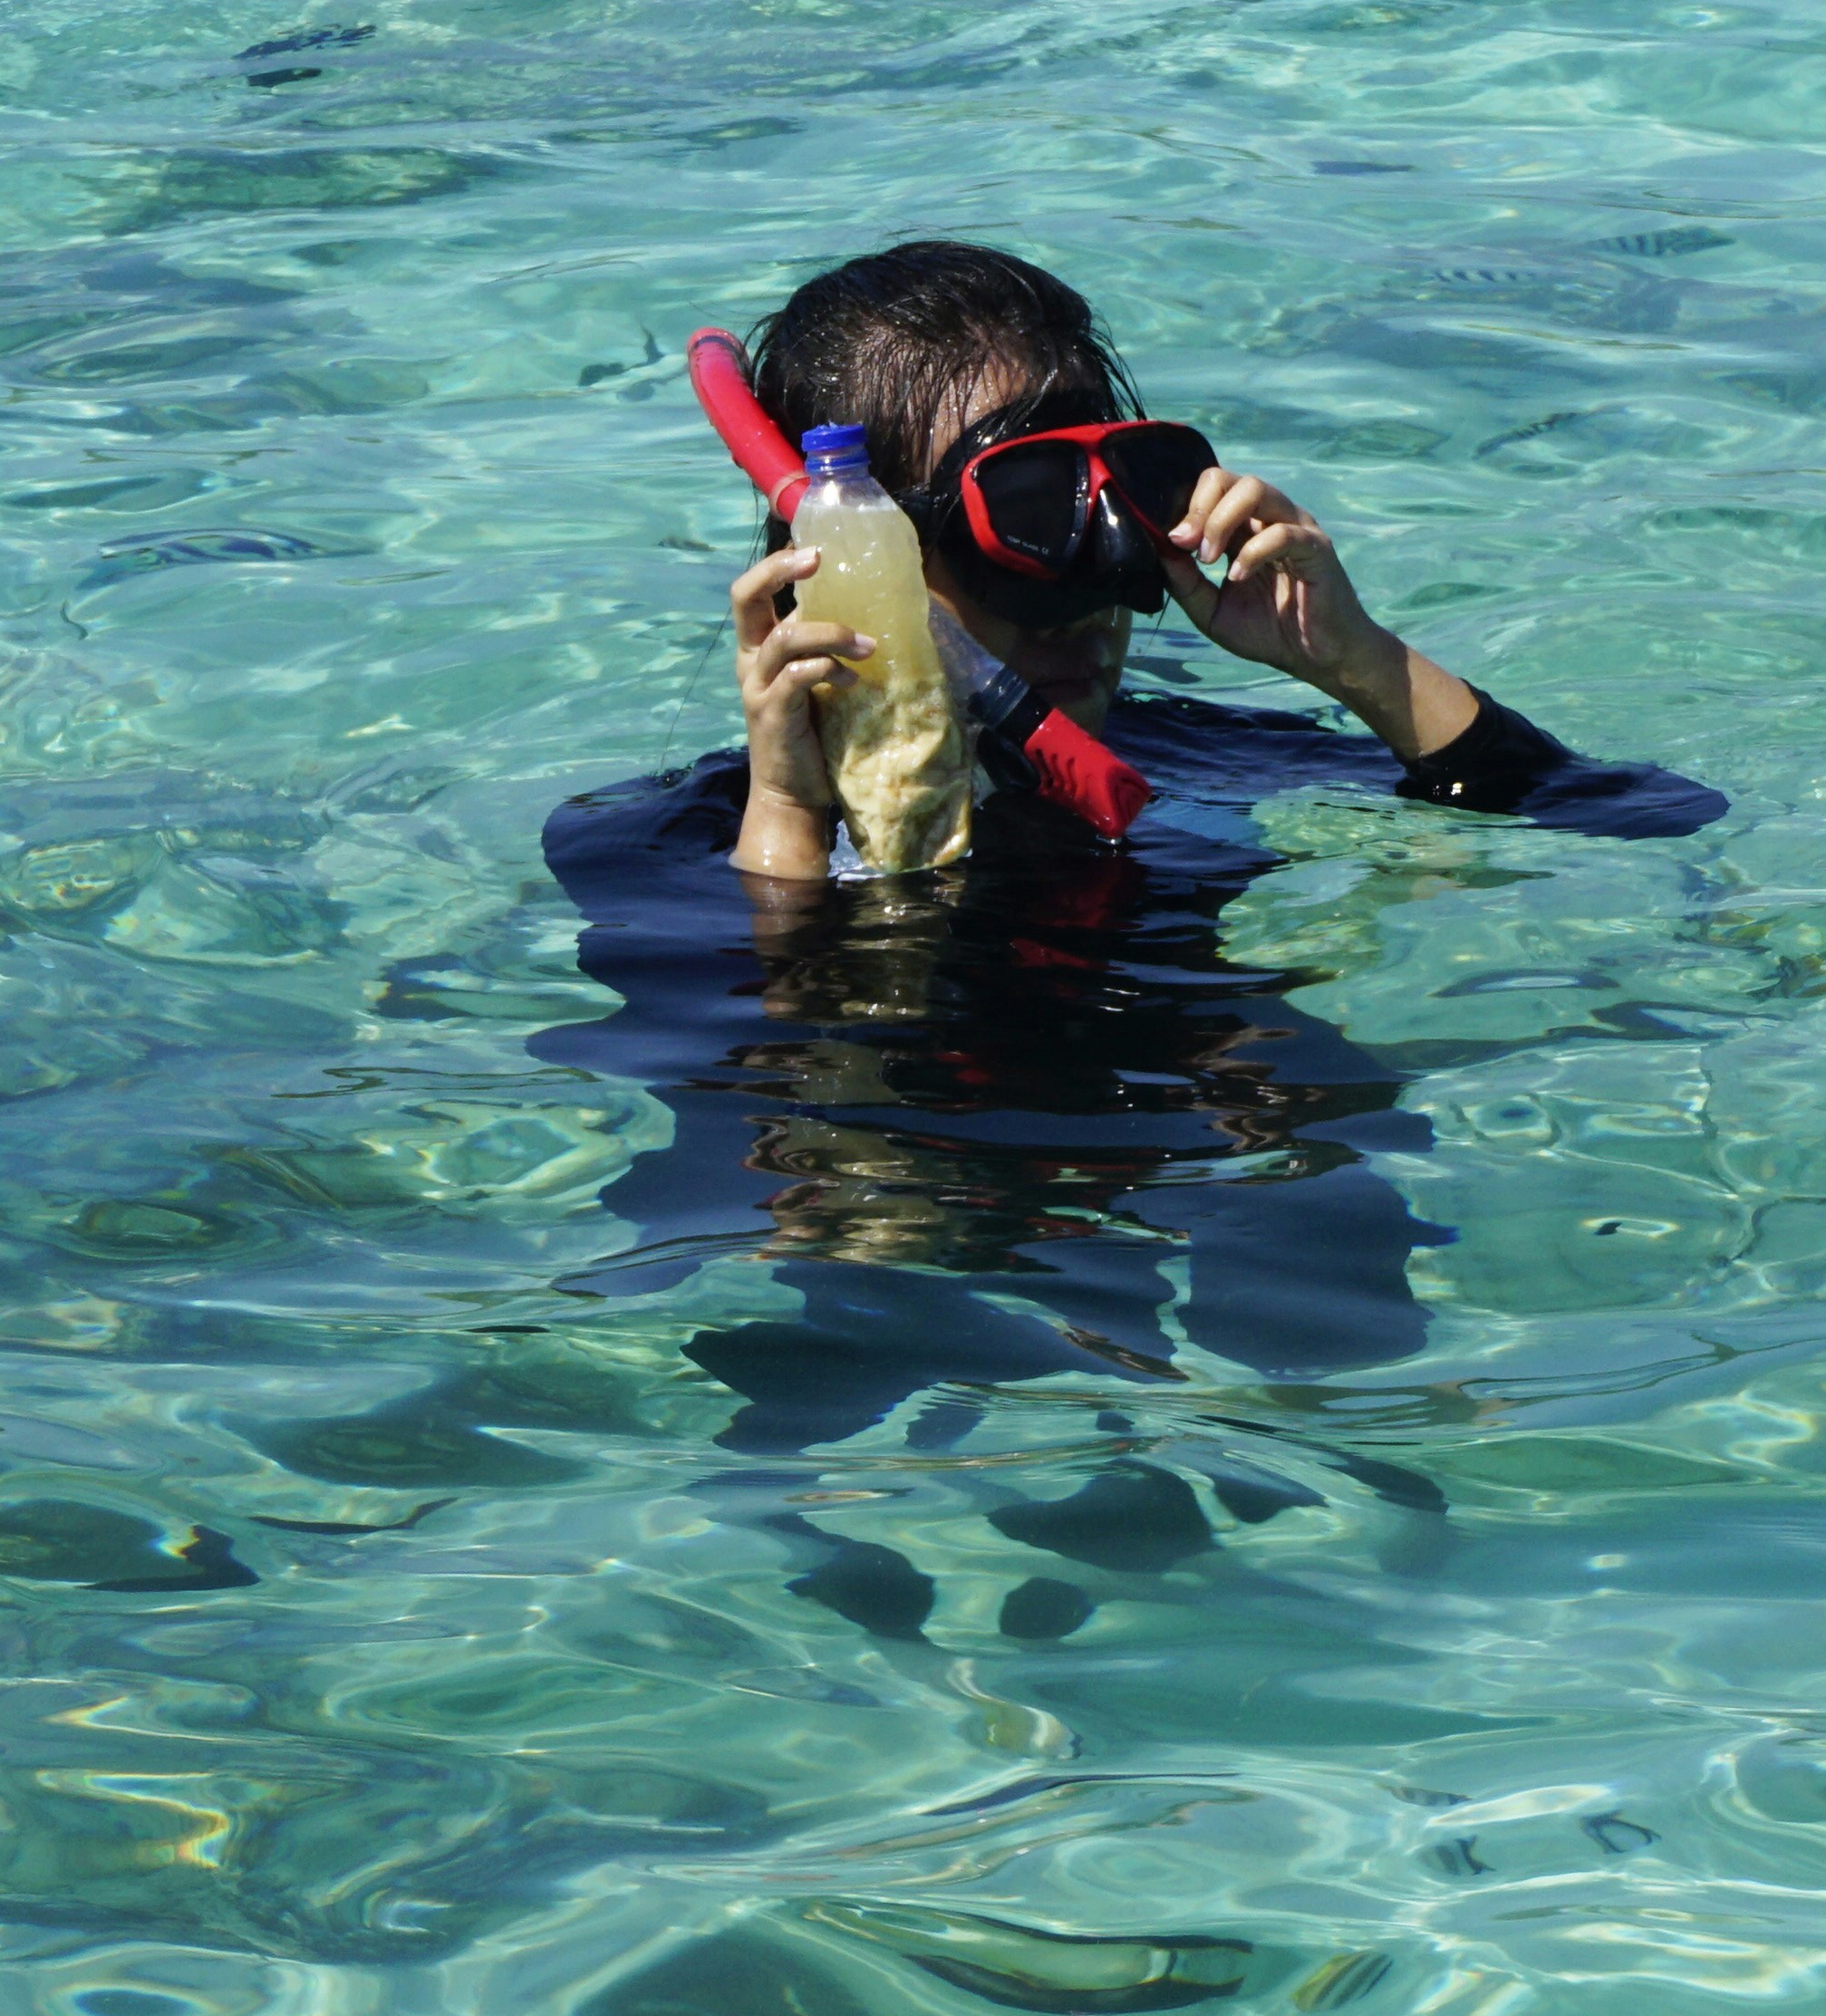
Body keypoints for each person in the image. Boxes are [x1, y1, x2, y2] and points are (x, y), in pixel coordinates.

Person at [539, 242, 1717, 1479]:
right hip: (889, 1192)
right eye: (1023, 531)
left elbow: (1637, 816)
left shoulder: (1185, 760)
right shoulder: (654, 844)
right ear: (844, 554)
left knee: (1324, 1165)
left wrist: (1355, 661)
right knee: (819, 1274)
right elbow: (763, 1069)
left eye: (1110, 519)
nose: (1087, 602)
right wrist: (787, 808)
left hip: (1167, 1126)